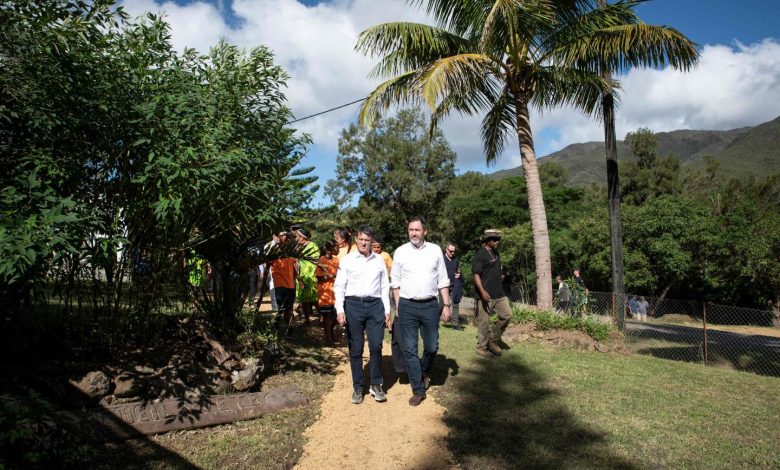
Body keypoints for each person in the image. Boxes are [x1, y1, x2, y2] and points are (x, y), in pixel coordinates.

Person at [391, 216, 451, 407]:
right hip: (407, 305)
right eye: (411, 230)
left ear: (425, 231)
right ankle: (418, 389)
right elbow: (396, 282)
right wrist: (399, 306)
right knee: (409, 348)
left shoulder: (435, 251)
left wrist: (447, 305)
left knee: (432, 346)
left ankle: (422, 370)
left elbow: (443, 280)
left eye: (417, 230)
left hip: (430, 306)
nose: (414, 233)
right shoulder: (400, 252)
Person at [334, 225, 390, 404]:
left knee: (375, 346)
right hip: (353, 306)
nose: (363, 242)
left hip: (375, 306)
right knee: (356, 349)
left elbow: (384, 286)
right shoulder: (348, 260)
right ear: (356, 240)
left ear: (371, 241)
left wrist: (387, 310)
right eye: (361, 239)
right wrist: (340, 310)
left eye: (367, 240)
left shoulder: (379, 260)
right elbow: (339, 286)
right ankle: (358, 386)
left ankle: (375, 384)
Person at [473, 229, 512, 358]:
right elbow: (476, 275)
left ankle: (493, 339)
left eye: (498, 239)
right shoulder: (480, 254)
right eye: (494, 239)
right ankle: (481, 347)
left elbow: (493, 274)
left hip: (499, 293)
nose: (497, 241)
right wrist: (483, 291)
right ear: (487, 240)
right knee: (484, 322)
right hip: (485, 294)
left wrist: (503, 275)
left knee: (507, 315)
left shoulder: (496, 253)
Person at [270, 231, 296, 338]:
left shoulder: (291, 251)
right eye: (282, 235)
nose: (285, 237)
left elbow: (294, 267)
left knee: (289, 309)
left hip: (290, 283)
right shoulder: (273, 250)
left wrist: (299, 280)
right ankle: (275, 329)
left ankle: (288, 330)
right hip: (279, 283)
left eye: (286, 236)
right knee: (280, 308)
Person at [315, 240, 339, 343]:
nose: (338, 249)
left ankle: (331, 332)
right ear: (331, 248)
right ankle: (328, 336)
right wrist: (329, 276)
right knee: (327, 316)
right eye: (336, 247)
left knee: (336, 315)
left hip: (335, 291)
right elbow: (318, 276)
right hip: (325, 292)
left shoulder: (336, 260)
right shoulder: (322, 260)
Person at [294, 228, 319, 325]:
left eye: (297, 236)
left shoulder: (313, 246)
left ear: (302, 237)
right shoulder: (297, 247)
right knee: (303, 299)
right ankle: (307, 319)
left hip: (311, 275)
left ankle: (322, 317)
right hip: (301, 276)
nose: (296, 238)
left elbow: (316, 261)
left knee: (314, 298)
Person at [442, 243, 463, 330]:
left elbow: (458, 270)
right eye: (451, 251)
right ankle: (434, 322)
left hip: (454, 285)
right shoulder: (441, 259)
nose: (453, 253)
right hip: (443, 286)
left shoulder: (455, 260)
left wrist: (459, 274)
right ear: (446, 250)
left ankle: (455, 324)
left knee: (456, 304)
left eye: (454, 251)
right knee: (440, 305)